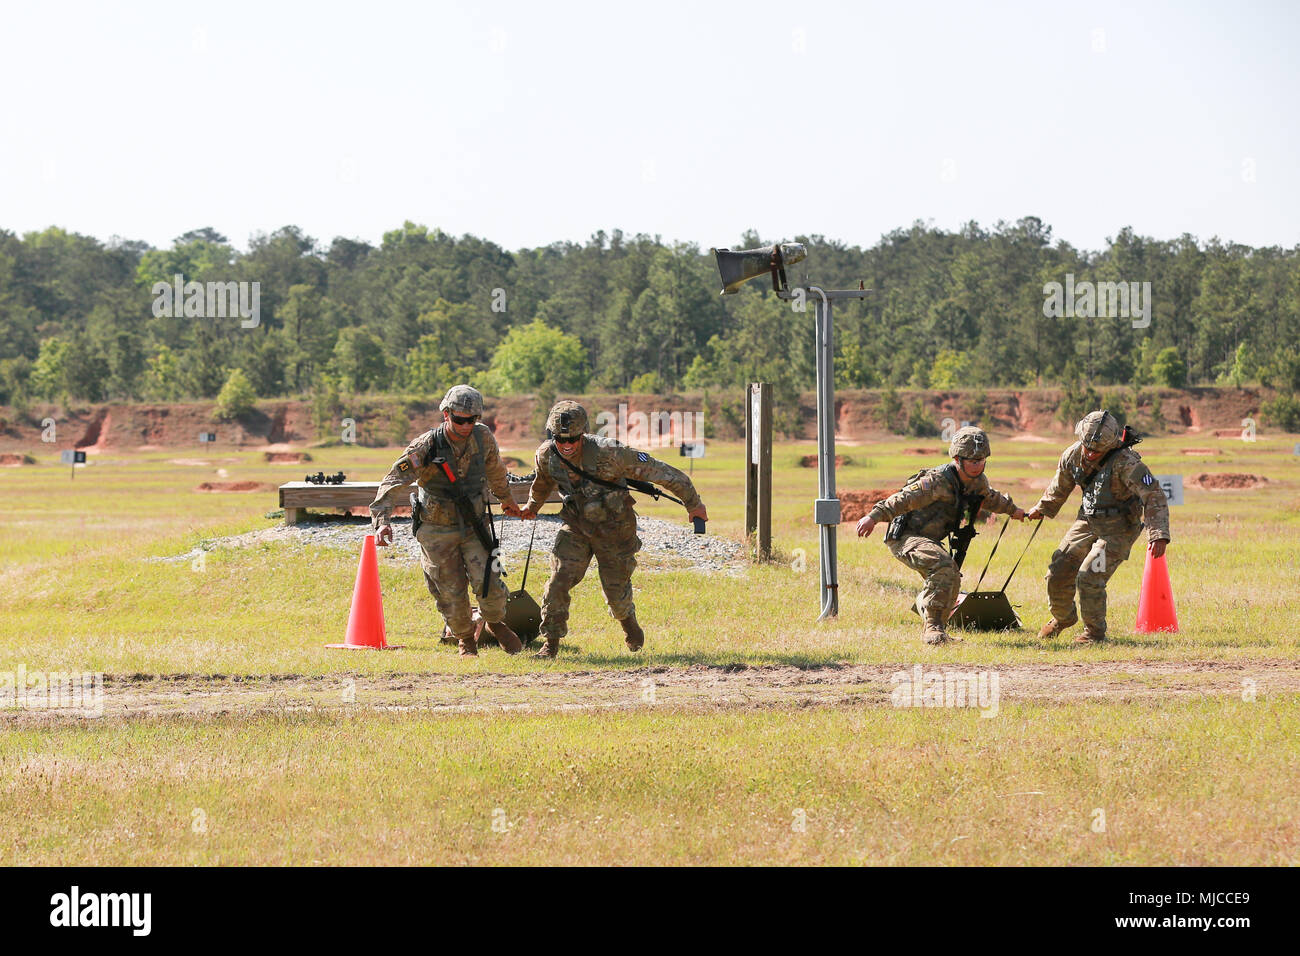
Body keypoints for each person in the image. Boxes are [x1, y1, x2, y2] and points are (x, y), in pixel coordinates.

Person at [519, 401, 707, 658]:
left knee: (616, 594)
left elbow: (663, 473)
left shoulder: (612, 453)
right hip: (576, 525)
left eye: (573, 438)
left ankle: (629, 624)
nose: (566, 444)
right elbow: (542, 482)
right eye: (559, 438)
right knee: (558, 581)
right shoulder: (546, 455)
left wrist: (693, 505)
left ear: (583, 433)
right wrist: (532, 506)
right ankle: (550, 644)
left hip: (615, 529)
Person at [368, 385, 524, 657]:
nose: (466, 425)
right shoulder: (426, 446)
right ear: (446, 414)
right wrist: (382, 521)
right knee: (449, 591)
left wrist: (507, 500)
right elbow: (393, 480)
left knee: (491, 582)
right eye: (459, 419)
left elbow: (496, 470)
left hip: (475, 526)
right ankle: (465, 639)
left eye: (472, 420)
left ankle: (495, 624)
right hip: (436, 529)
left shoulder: (483, 437)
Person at [857, 426, 1025, 645]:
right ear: (957, 459)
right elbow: (903, 499)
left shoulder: (978, 482)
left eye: (981, 460)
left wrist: (1017, 511)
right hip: (906, 537)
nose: (977, 465)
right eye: (972, 461)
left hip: (930, 540)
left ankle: (939, 628)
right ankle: (932, 629)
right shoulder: (936, 481)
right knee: (943, 566)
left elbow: (991, 498)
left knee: (952, 578)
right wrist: (874, 516)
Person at [1027, 409, 1170, 644]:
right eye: (1088, 448)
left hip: (1120, 527)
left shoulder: (1127, 463)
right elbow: (1059, 486)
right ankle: (1063, 618)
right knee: (1058, 570)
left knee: (1090, 575)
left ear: (1112, 444)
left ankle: (1094, 634)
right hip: (1087, 520)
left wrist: (1158, 534)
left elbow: (1153, 495)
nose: (1091, 453)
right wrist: (1041, 508)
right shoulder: (1073, 455)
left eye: (1097, 450)